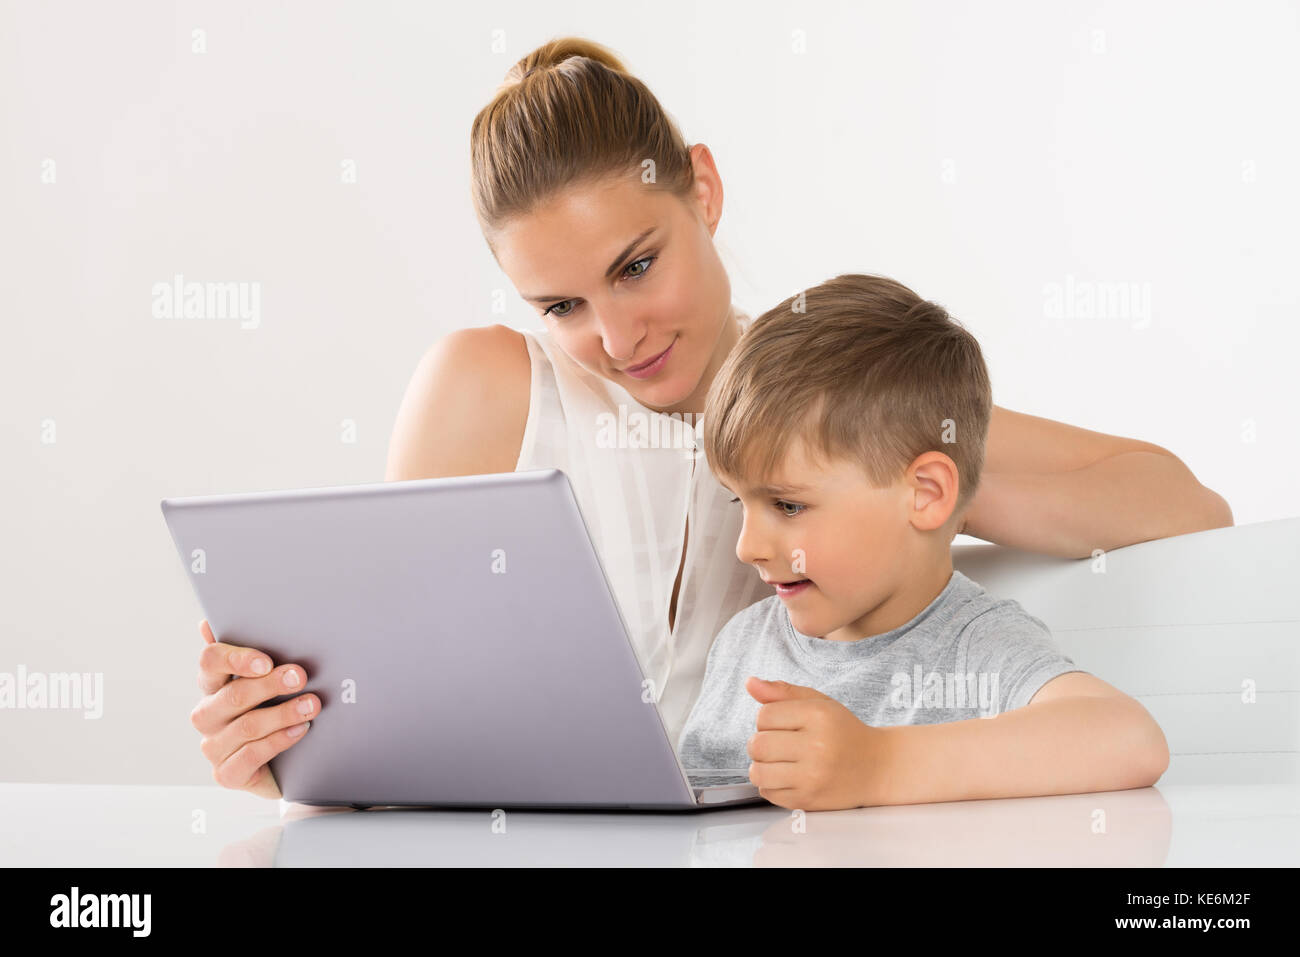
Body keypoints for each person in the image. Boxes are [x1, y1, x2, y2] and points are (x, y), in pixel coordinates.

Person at [191, 37, 1229, 801]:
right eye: (561, 306)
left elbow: (1189, 509)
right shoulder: (486, 387)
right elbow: (393, 723)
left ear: (703, 188)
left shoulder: (817, 384)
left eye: (637, 265)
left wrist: (877, 473)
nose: (617, 336)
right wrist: (281, 742)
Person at [675, 273, 1168, 810]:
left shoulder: (973, 645)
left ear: (926, 494)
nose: (747, 547)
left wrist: (878, 765)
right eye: (738, 502)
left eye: (788, 506)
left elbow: (1131, 740)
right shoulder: (743, 644)